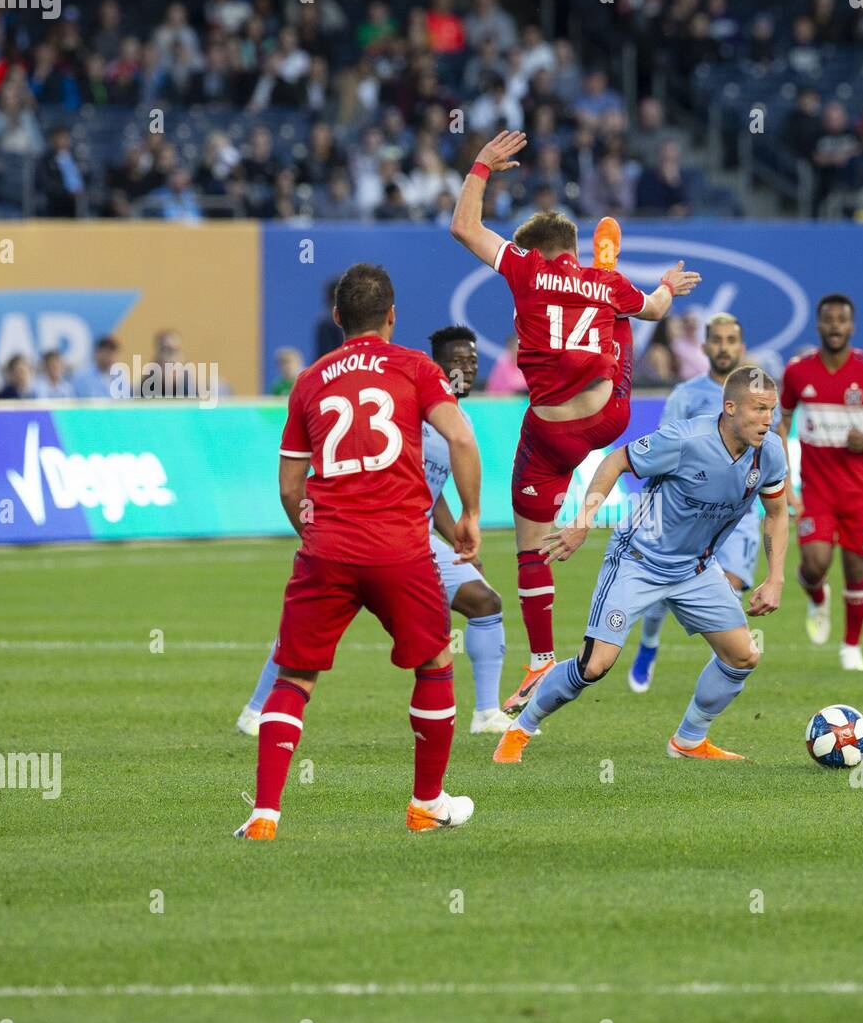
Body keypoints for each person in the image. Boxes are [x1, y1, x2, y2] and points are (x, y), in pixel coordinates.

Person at [449, 128, 700, 713]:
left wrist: (481, 164)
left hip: (550, 433)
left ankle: (539, 662)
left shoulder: (525, 270)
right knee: (619, 314)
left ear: (535, 249)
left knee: (529, 547)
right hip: (609, 417)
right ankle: (608, 268)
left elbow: (464, 226)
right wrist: (664, 285)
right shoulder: (601, 284)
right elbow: (660, 307)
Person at [235, 263, 482, 840]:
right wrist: (469, 516)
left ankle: (265, 814)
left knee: (294, 678)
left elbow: (289, 487)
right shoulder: (416, 368)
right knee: (435, 663)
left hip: (328, 550)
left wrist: (316, 538)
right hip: (401, 546)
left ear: (338, 317)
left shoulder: (309, 381)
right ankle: (426, 804)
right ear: (392, 316)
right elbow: (462, 438)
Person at [493, 365, 789, 764]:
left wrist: (775, 577)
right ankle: (520, 729)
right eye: (758, 409)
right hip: (638, 561)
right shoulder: (686, 440)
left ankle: (688, 740)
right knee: (595, 665)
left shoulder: (769, 452)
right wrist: (583, 523)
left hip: (696, 570)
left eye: (772, 410)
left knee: (743, 656)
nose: (767, 420)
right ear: (730, 407)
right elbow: (616, 462)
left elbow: (776, 513)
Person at [239, 324, 510, 738]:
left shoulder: (456, 416)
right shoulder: (415, 407)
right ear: (437, 365)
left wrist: (456, 531)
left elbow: (429, 488)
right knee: (308, 632)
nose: (467, 369)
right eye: (457, 361)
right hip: (386, 535)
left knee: (485, 602)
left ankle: (487, 712)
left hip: (413, 537)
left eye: (473, 361)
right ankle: (257, 708)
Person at [627, 312, 778, 691]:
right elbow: (664, 450)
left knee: (729, 588)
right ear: (705, 346)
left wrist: (788, 496)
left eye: (731, 340)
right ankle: (648, 644)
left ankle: (722, 670)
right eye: (718, 340)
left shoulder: (757, 395)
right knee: (664, 590)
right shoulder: (686, 395)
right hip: (686, 514)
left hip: (737, 513)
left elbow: (771, 451)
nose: (724, 347)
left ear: (741, 347)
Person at [777, 294, 863, 671]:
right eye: (828, 319)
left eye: (842, 319)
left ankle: (851, 646)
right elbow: (782, 419)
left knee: (856, 568)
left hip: (857, 492)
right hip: (815, 490)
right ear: (818, 326)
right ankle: (817, 596)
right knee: (815, 564)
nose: (835, 326)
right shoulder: (798, 371)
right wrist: (783, 472)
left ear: (852, 326)